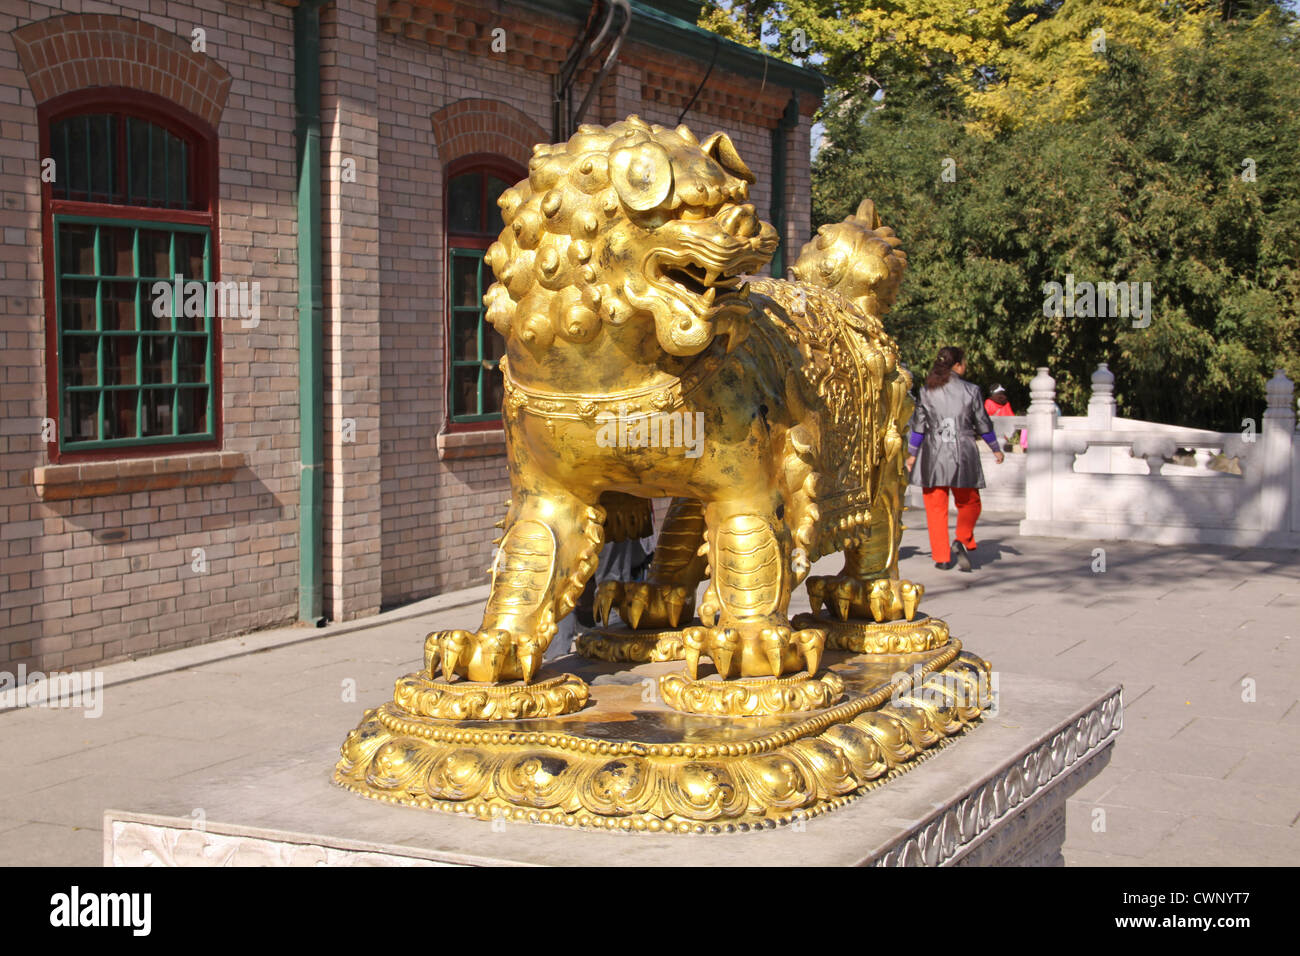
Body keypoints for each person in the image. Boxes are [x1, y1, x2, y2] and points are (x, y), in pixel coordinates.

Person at [905, 346, 1004, 571]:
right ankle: (962, 538)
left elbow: (918, 427)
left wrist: (911, 454)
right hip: (963, 453)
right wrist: (995, 448)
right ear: (957, 365)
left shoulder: (926, 391)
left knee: (935, 508)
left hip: (933, 453)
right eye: (964, 362)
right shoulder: (972, 390)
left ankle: (941, 557)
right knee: (970, 502)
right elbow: (982, 423)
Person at [984, 384, 1027, 451]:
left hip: (993, 433)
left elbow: (984, 419)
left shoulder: (988, 402)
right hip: (1005, 434)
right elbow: (1012, 418)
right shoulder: (1006, 403)